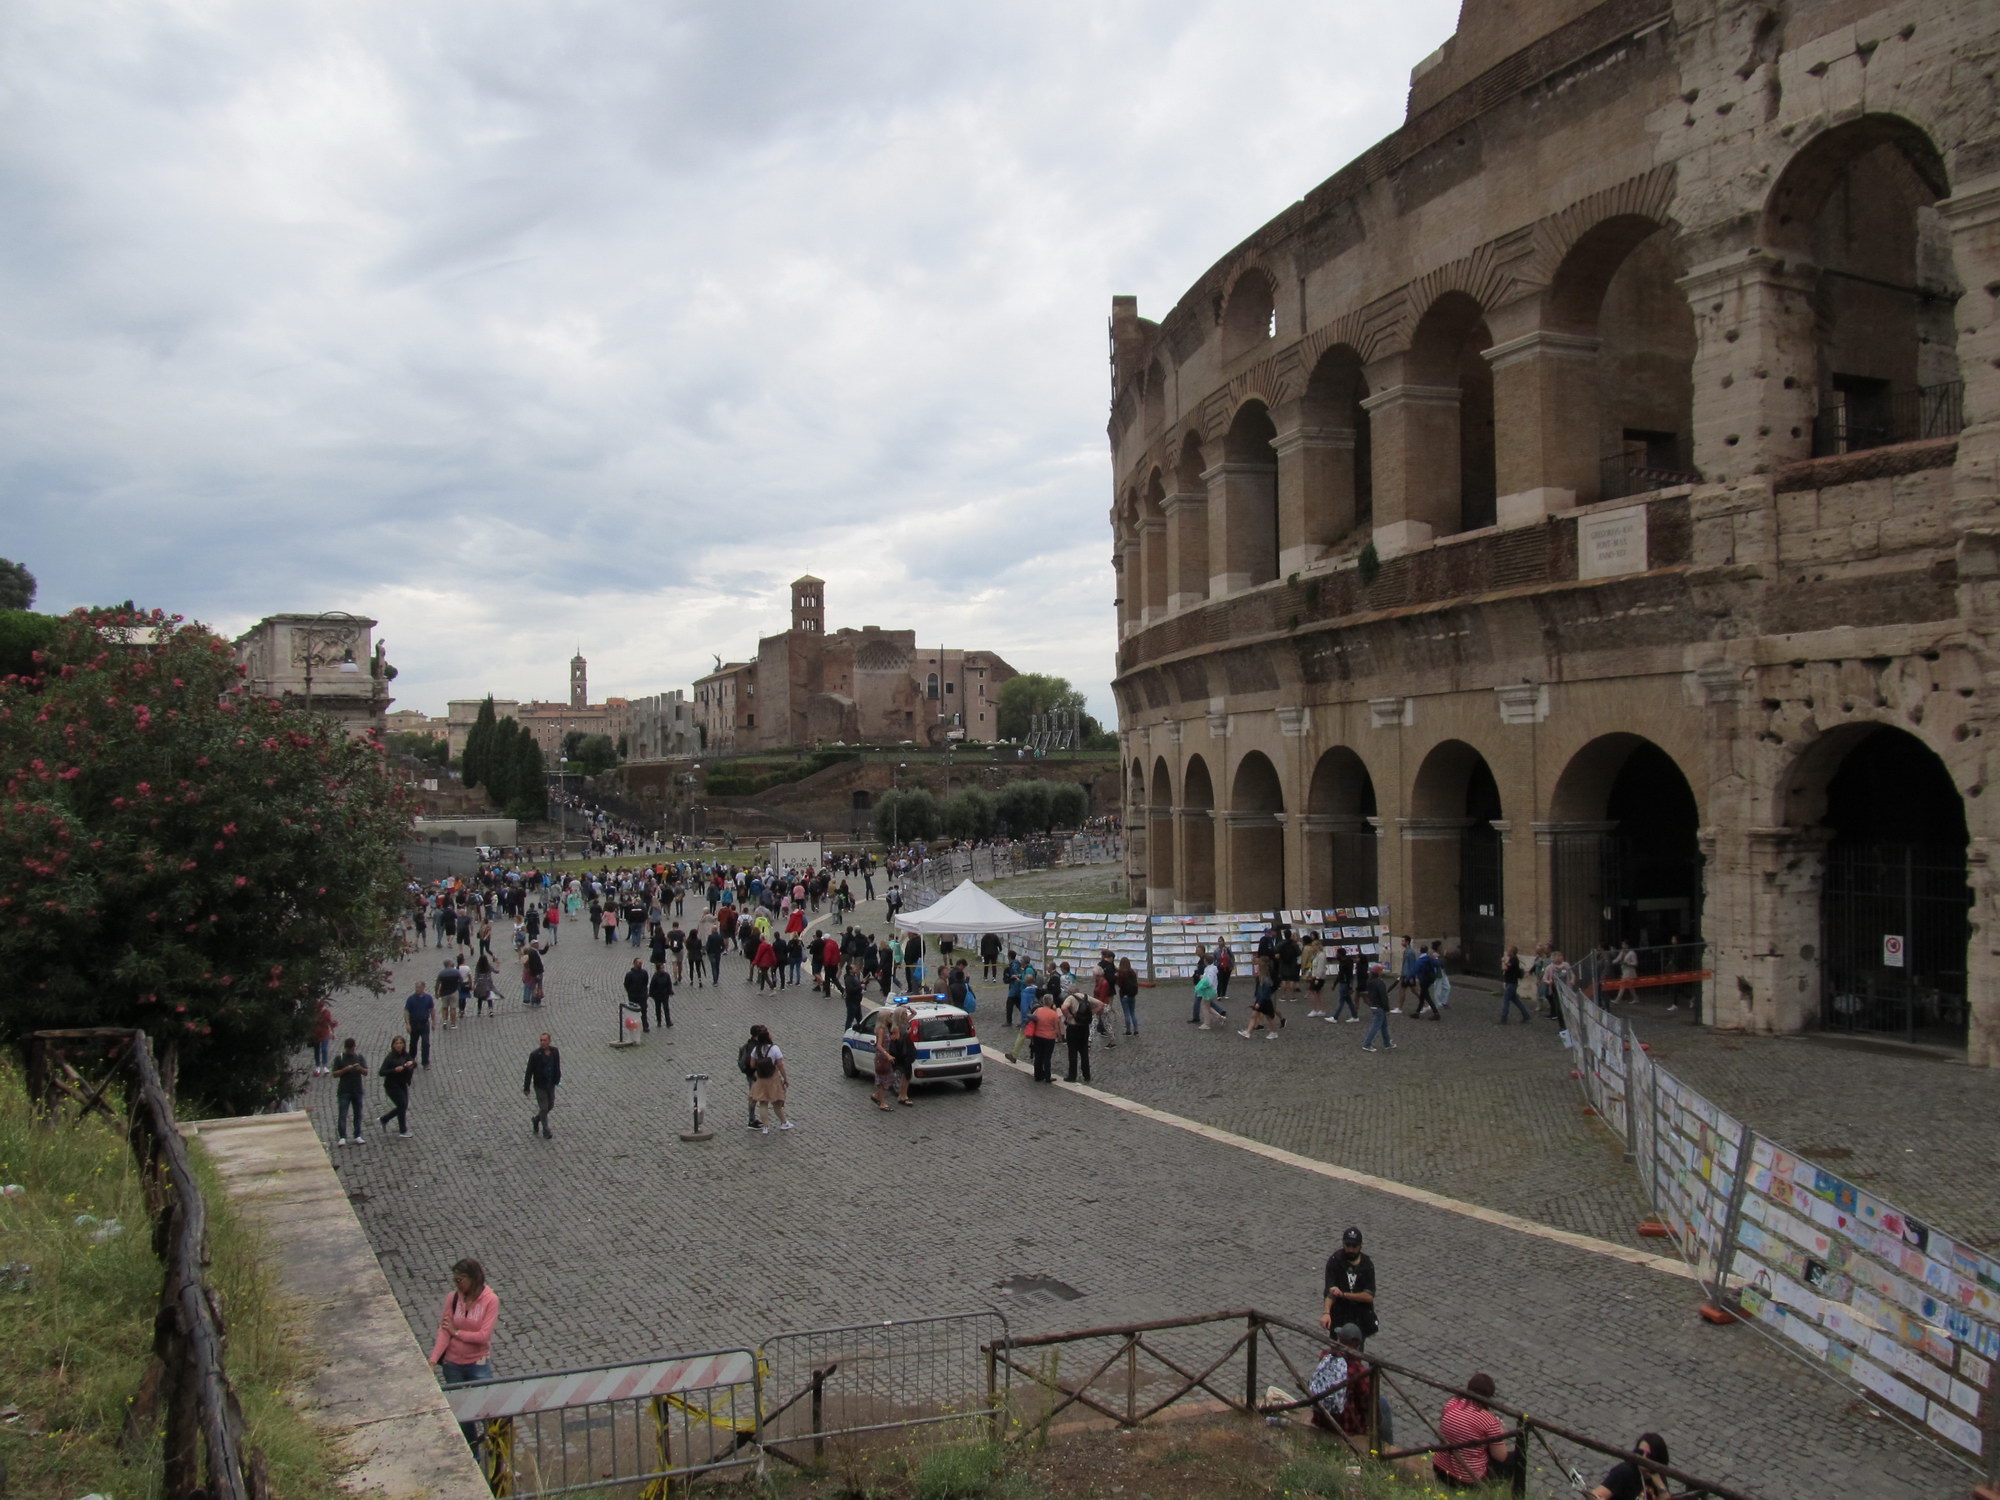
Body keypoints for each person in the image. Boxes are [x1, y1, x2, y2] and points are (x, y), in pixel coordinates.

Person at [431, 1258, 500, 1456]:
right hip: (453, 1364)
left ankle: (496, 1455)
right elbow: (444, 1331)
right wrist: (433, 1359)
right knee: (463, 1416)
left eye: (460, 1280)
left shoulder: (490, 1300)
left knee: (488, 1411)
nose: (457, 1285)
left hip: (477, 1364)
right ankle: (473, 1455)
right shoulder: (453, 1299)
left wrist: (457, 1333)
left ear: (473, 1278)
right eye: (455, 1280)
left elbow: (483, 1336)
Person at [1433, 1373, 1517, 1488]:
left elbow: (1446, 1432)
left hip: (1440, 1469)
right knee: (1516, 1458)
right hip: (1467, 1480)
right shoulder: (1489, 1420)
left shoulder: (1451, 1404)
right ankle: (1511, 1493)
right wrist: (1500, 1432)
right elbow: (1501, 1457)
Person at [1321, 1226, 1378, 1340]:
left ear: (1360, 1246)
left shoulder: (1367, 1265)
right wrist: (1326, 1313)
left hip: (1359, 1317)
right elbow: (1330, 1292)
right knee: (1336, 1350)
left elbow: (1368, 1296)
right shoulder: (1335, 1261)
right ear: (1343, 1244)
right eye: (1348, 1246)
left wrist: (1344, 1295)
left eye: (1354, 1246)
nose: (1351, 1250)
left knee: (1355, 1351)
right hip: (1339, 1315)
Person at [1590, 1433, 1673, 1499]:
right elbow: (1598, 1494)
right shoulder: (1625, 1471)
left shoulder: (1658, 1476)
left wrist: (1659, 1484)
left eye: (1649, 1456)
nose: (1643, 1459)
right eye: (1640, 1453)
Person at [744, 1023, 793, 1131]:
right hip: (773, 1078)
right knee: (776, 1102)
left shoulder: (756, 1049)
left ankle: (765, 1127)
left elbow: (752, 1065)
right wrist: (785, 1078)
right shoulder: (774, 1049)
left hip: (761, 1078)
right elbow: (780, 1065)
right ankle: (784, 1122)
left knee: (763, 1102)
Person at [377, 1035, 417, 1137]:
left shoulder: (404, 1055)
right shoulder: (390, 1058)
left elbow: (413, 1063)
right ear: (393, 1045)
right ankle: (403, 1130)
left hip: (402, 1083)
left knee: (403, 1106)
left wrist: (411, 1063)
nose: (399, 1045)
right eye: (397, 1043)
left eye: (401, 1043)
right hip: (392, 1085)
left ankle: (385, 1119)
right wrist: (394, 1070)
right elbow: (382, 1072)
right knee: (402, 1105)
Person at [523, 1033, 561, 1139]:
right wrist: (527, 1087)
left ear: (549, 1041)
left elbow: (557, 1066)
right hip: (540, 1085)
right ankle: (546, 1130)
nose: (542, 1042)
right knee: (544, 1108)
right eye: (541, 1040)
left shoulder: (554, 1052)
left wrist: (557, 1079)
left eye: (545, 1040)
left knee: (550, 1106)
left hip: (551, 1084)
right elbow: (529, 1071)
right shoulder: (535, 1055)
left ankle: (536, 1119)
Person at [332, 1038, 368, 1145]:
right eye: (349, 1049)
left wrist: (359, 1068)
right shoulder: (340, 1058)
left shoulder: (359, 1057)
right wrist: (345, 1070)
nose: (351, 1051)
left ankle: (357, 1135)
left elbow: (366, 1072)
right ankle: (342, 1136)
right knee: (342, 1114)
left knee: (358, 1113)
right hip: (344, 1090)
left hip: (357, 1090)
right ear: (346, 1048)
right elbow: (334, 1074)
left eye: (352, 1048)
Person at [1062, 982, 1101, 1082]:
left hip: (1073, 1028)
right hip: (1084, 1028)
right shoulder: (1086, 997)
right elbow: (1101, 1004)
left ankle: (1072, 1076)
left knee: (1072, 1052)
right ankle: (1086, 1075)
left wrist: (1068, 1016)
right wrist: (1091, 1013)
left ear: (1071, 992)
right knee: (1084, 1053)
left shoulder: (1070, 998)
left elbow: (1063, 1008)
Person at [1025, 990, 1063, 1083]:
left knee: (1038, 1056)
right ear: (1051, 1002)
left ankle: (1037, 1075)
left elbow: (1032, 1020)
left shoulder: (1038, 1010)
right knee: (1047, 1057)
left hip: (1038, 1036)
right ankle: (1047, 1076)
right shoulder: (1053, 1014)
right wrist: (1060, 1038)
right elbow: (1057, 1028)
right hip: (1049, 1038)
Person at [1360, 963, 1395, 1053]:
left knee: (1384, 1026)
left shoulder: (1370, 981)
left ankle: (1387, 1043)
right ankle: (1367, 1044)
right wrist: (1387, 1008)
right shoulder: (1380, 982)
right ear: (1379, 972)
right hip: (1380, 1007)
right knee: (1375, 1027)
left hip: (1374, 1005)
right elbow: (1383, 997)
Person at [404, 979, 436, 1068]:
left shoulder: (428, 998)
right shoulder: (411, 999)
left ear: (423, 988)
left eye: (418, 987)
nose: (417, 989)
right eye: (416, 987)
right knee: (413, 1043)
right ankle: (411, 1060)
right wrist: (407, 1024)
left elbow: (432, 1010)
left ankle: (425, 1062)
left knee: (426, 1043)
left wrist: (433, 1022)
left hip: (424, 1024)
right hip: (414, 1024)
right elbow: (406, 1011)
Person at [1499, 945, 1531, 1024]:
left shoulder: (1513, 960)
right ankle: (1526, 1016)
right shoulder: (1512, 959)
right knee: (1516, 1001)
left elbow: (1505, 968)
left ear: (1512, 952)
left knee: (1506, 1000)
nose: (1507, 952)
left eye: (1509, 951)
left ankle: (1504, 1019)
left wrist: (1503, 961)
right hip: (1511, 983)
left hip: (1511, 984)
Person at [623, 957, 651, 1034]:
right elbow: (626, 984)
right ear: (634, 963)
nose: (640, 964)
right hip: (633, 996)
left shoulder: (644, 973)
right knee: (633, 1012)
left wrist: (644, 992)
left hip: (642, 995)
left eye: (641, 963)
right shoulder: (629, 974)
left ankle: (645, 1026)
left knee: (644, 1011)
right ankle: (633, 1026)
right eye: (638, 963)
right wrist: (630, 992)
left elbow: (646, 982)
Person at [1115, 957, 1140, 1035]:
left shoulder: (1121, 974)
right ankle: (1136, 1029)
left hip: (1124, 995)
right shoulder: (1132, 972)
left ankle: (1128, 1030)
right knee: (1132, 1012)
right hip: (1132, 995)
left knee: (1126, 1013)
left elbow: (1120, 984)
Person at [649, 961, 675, 1028]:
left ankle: (668, 1021)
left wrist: (670, 991)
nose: (663, 969)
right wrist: (652, 994)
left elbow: (669, 984)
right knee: (658, 1008)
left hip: (665, 994)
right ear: (658, 969)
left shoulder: (666, 975)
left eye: (663, 968)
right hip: (657, 995)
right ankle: (659, 1021)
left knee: (666, 1008)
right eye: (661, 968)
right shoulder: (655, 977)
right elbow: (652, 986)